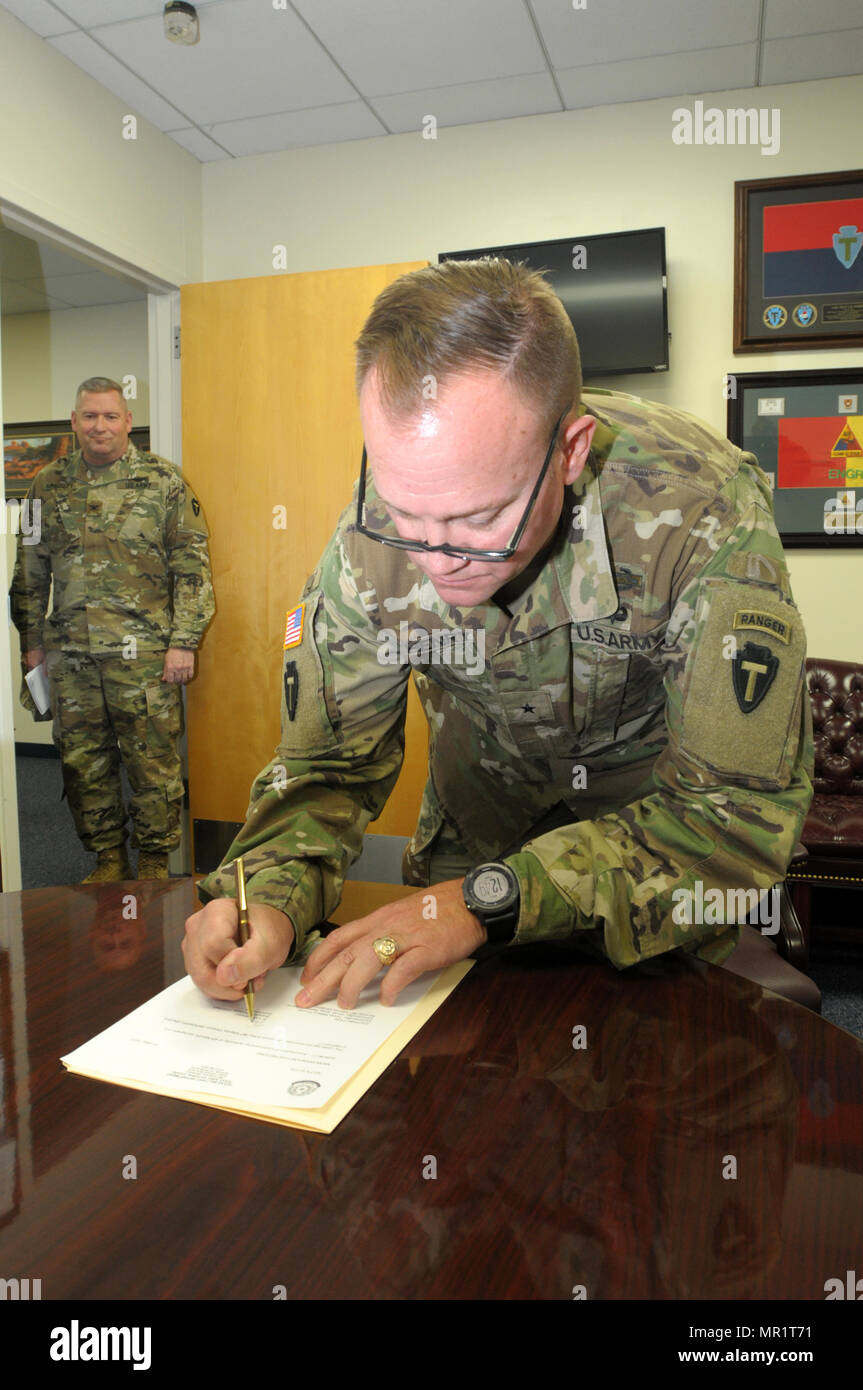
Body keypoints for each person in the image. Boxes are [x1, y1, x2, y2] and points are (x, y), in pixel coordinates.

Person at [183, 259, 812, 1010]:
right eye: (399, 508)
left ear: (570, 451)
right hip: (466, 851)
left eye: (478, 519)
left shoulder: (700, 515)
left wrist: (489, 900)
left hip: (656, 878)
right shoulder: (371, 545)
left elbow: (734, 815)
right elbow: (327, 771)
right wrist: (270, 900)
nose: (429, 555)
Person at [10, 376, 215, 882]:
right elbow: (30, 569)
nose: (99, 426)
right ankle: (106, 858)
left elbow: (192, 567)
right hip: (71, 657)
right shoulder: (46, 484)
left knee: (152, 764)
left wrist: (183, 641)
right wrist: (31, 644)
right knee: (83, 763)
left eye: (109, 416)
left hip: (144, 656)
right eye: (89, 416)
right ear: (74, 422)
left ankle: (152, 861)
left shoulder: (163, 481)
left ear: (127, 422)